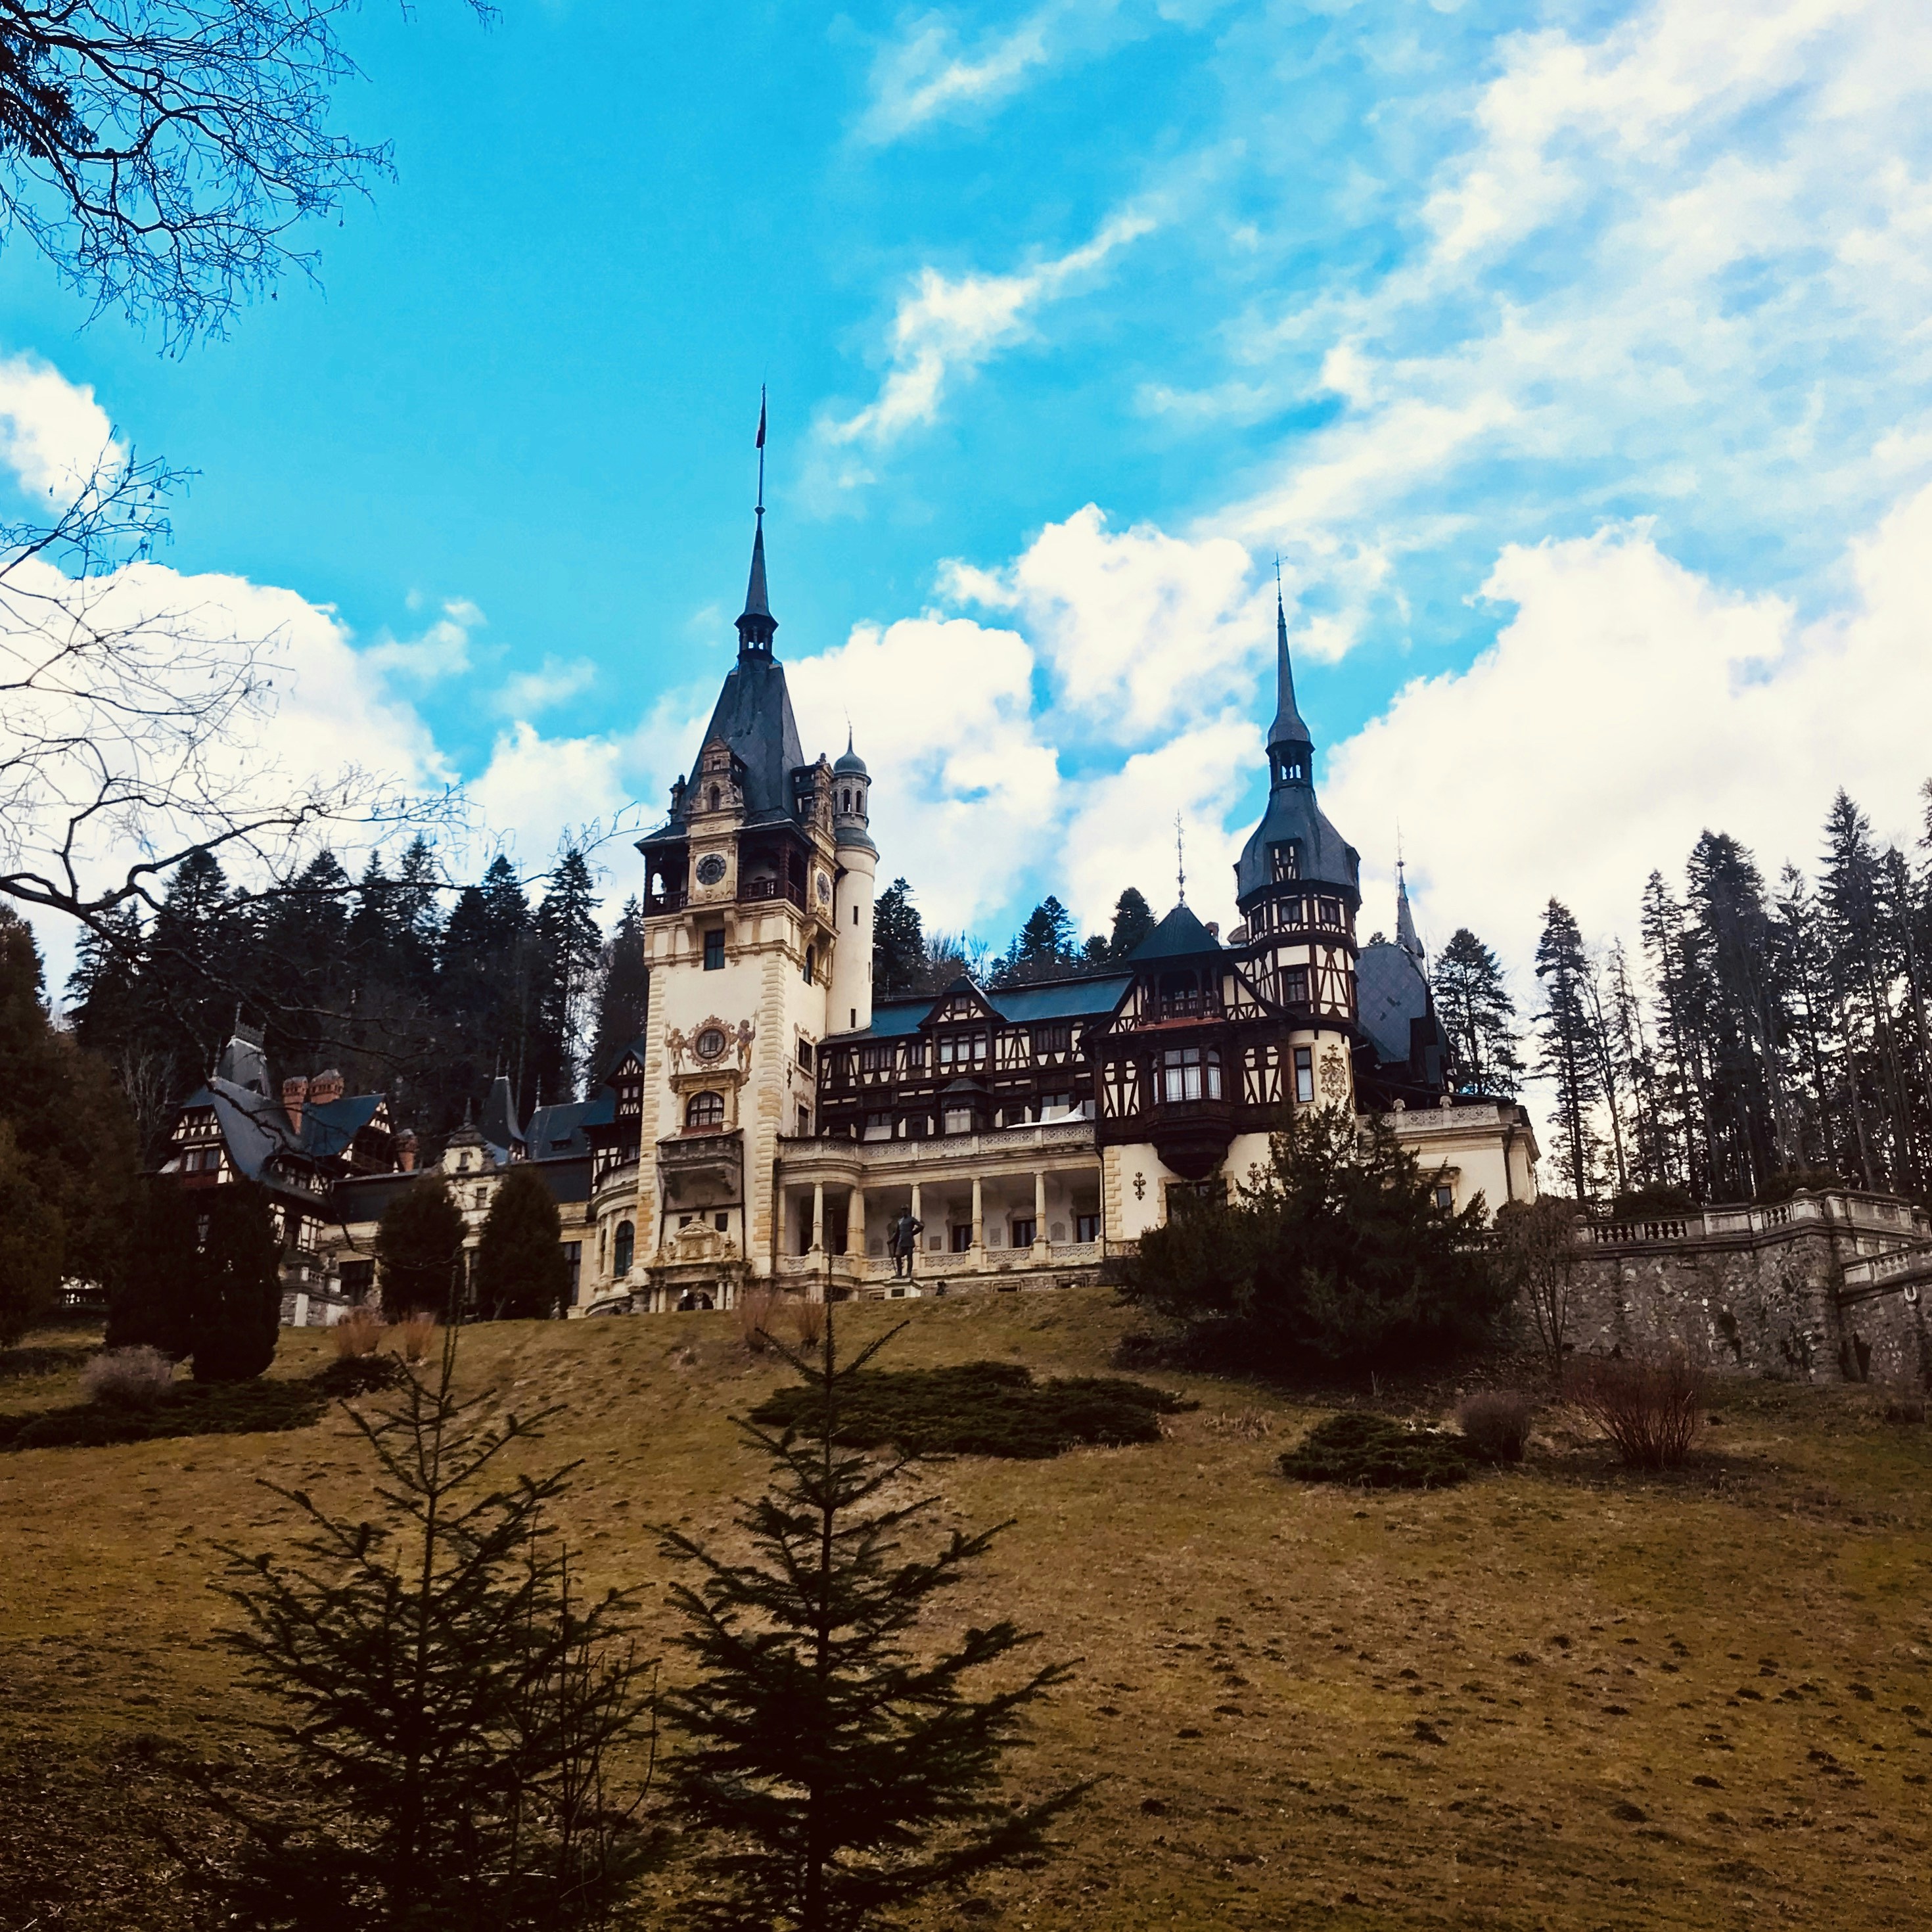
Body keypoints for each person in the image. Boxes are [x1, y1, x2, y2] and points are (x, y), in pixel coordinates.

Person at [890, 1209, 923, 1279]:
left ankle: (909, 1273)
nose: (903, 1212)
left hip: (909, 1241)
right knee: (898, 1255)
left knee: (909, 1258)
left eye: (905, 1210)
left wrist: (912, 1233)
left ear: (907, 1211)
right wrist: (891, 1240)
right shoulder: (900, 1221)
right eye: (902, 1211)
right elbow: (897, 1233)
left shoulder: (911, 1220)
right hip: (901, 1241)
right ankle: (899, 1272)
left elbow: (921, 1226)